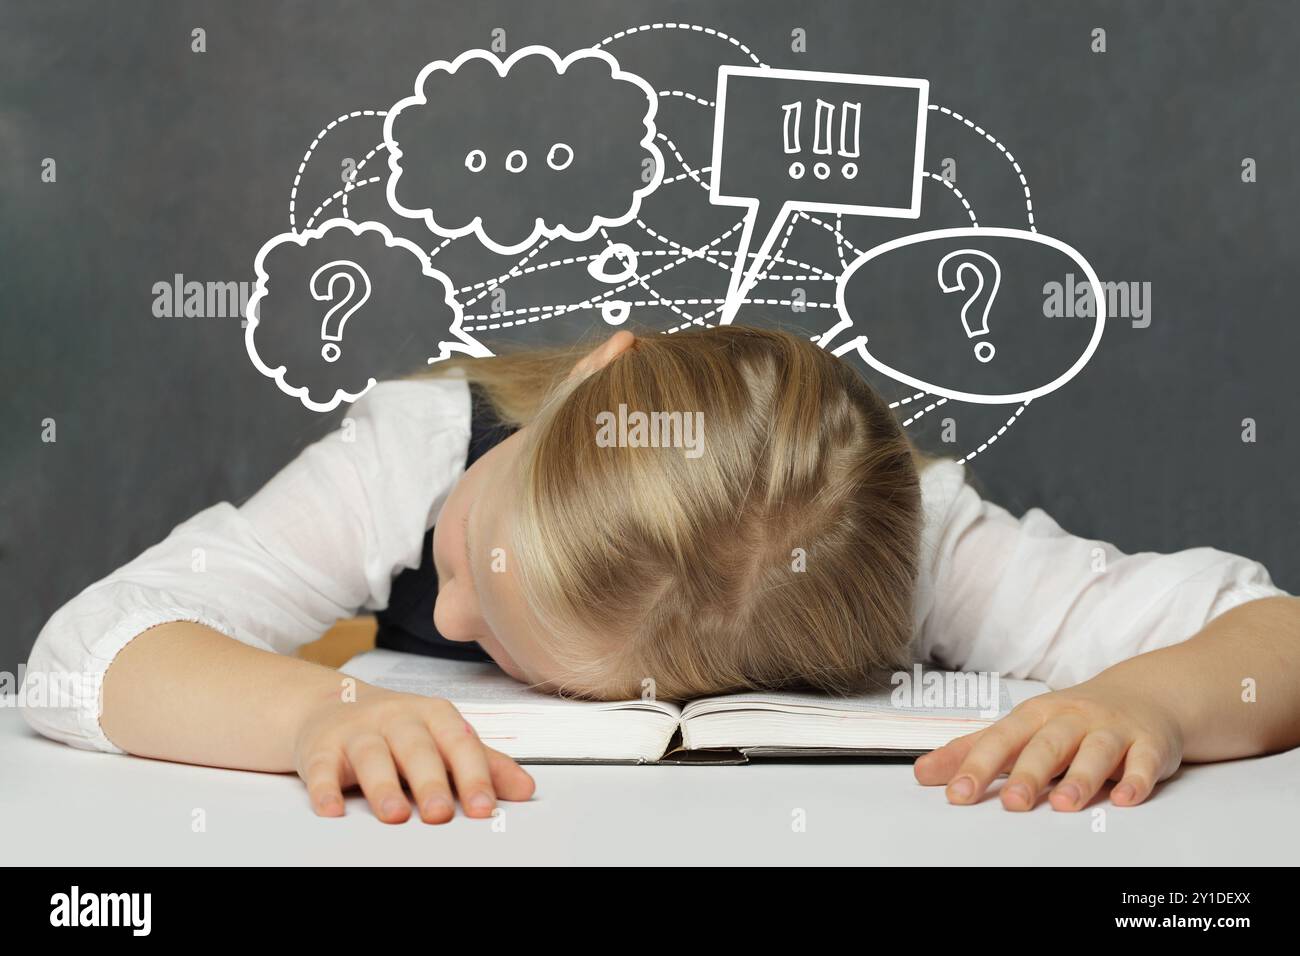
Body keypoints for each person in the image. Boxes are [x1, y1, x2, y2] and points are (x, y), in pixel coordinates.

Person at [22, 326, 1299, 823]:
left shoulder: (921, 549)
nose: (445, 607)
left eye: (510, 647)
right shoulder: (409, 456)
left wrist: (1154, 706)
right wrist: (317, 710)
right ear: (590, 377)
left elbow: (1272, 636)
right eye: (472, 549)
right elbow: (89, 647)